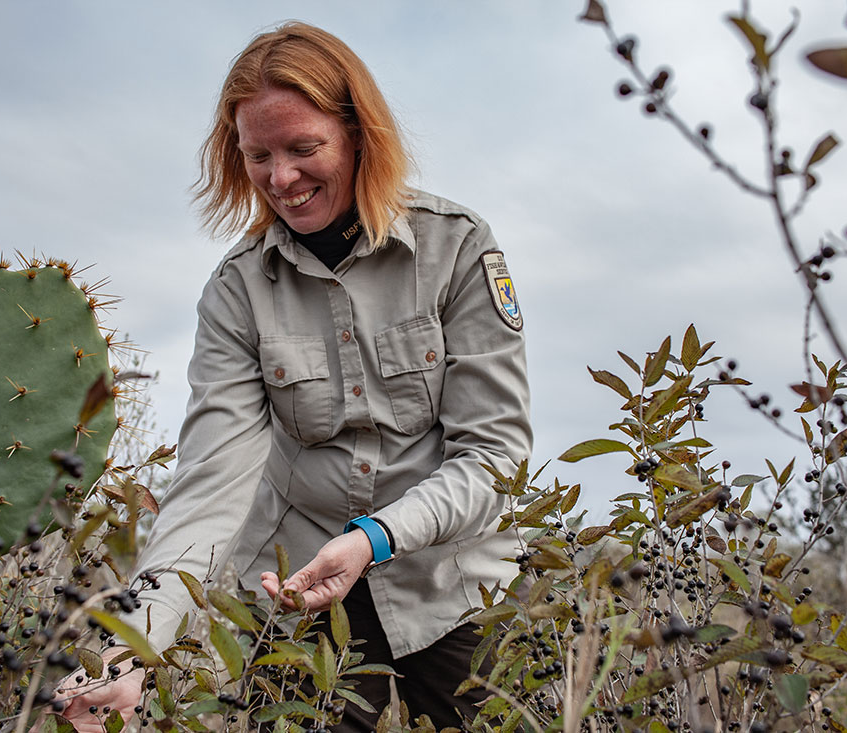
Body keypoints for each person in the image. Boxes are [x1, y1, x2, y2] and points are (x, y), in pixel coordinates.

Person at [56, 21, 531, 731]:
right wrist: (132, 648)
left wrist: (375, 537)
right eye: (258, 155)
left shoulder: (458, 248)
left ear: (358, 134)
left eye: (304, 148)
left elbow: (495, 458)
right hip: (297, 594)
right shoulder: (236, 292)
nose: (281, 178)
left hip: (453, 585)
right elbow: (211, 482)